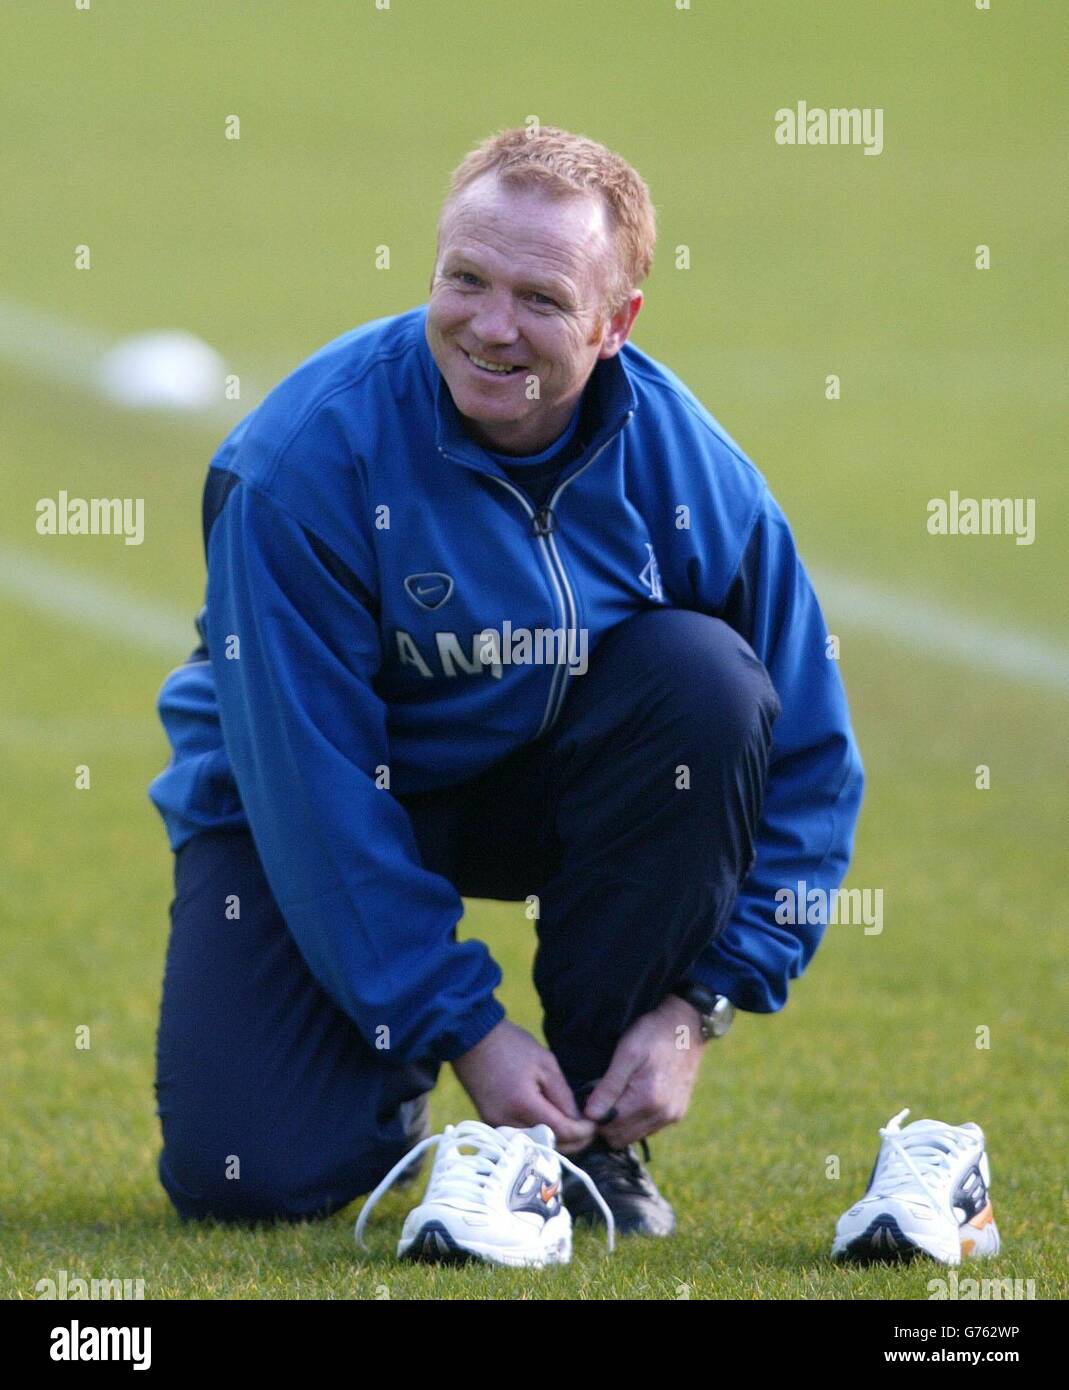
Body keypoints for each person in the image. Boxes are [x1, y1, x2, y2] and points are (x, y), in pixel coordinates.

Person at [148, 125, 863, 1238]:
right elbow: (311, 793)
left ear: (616, 322)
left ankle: (588, 1142)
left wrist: (700, 1003)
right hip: (312, 808)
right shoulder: (297, 465)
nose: (489, 326)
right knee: (252, 1178)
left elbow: (812, 757)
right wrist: (461, 1026)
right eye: (464, 279)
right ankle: (402, 1091)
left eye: (539, 297)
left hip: (550, 791)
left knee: (704, 685)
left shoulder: (690, 468)